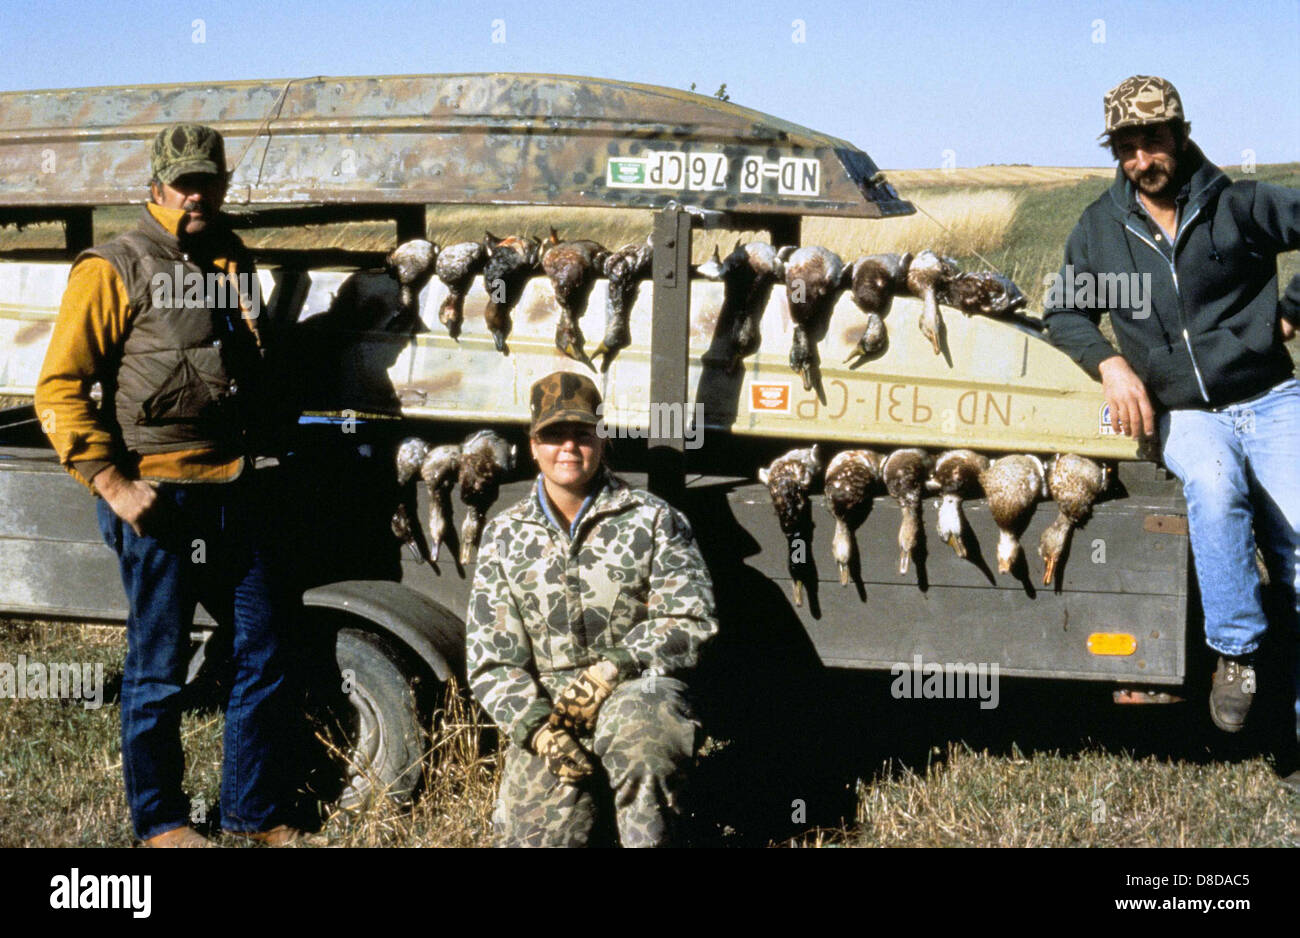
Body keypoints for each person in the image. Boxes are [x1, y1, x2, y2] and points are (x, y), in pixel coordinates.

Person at [35, 123, 308, 845]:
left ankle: (252, 813)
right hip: (157, 497)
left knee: (264, 648)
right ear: (154, 186)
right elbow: (59, 390)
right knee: (158, 668)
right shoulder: (113, 265)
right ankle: (160, 823)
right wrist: (113, 485)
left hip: (234, 487)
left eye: (207, 181)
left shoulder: (228, 255)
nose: (196, 194)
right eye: (182, 182)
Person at [1044, 76, 1300, 790]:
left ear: (1181, 135)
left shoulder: (1240, 202)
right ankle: (1237, 654)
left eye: (1151, 142)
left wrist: (1294, 309)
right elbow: (1063, 311)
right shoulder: (1101, 225)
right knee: (1214, 494)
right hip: (1183, 412)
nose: (1139, 161)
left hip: (1272, 397)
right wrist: (1112, 365)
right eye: (1125, 148)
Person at [465, 370, 719, 846]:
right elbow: (491, 660)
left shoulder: (653, 518)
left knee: (645, 739)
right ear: (533, 443)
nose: (568, 447)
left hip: (635, 688)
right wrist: (539, 730)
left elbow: (691, 620)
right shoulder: (504, 534)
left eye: (582, 434)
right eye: (553, 435)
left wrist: (612, 669)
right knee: (542, 836)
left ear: (603, 439)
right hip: (553, 709)